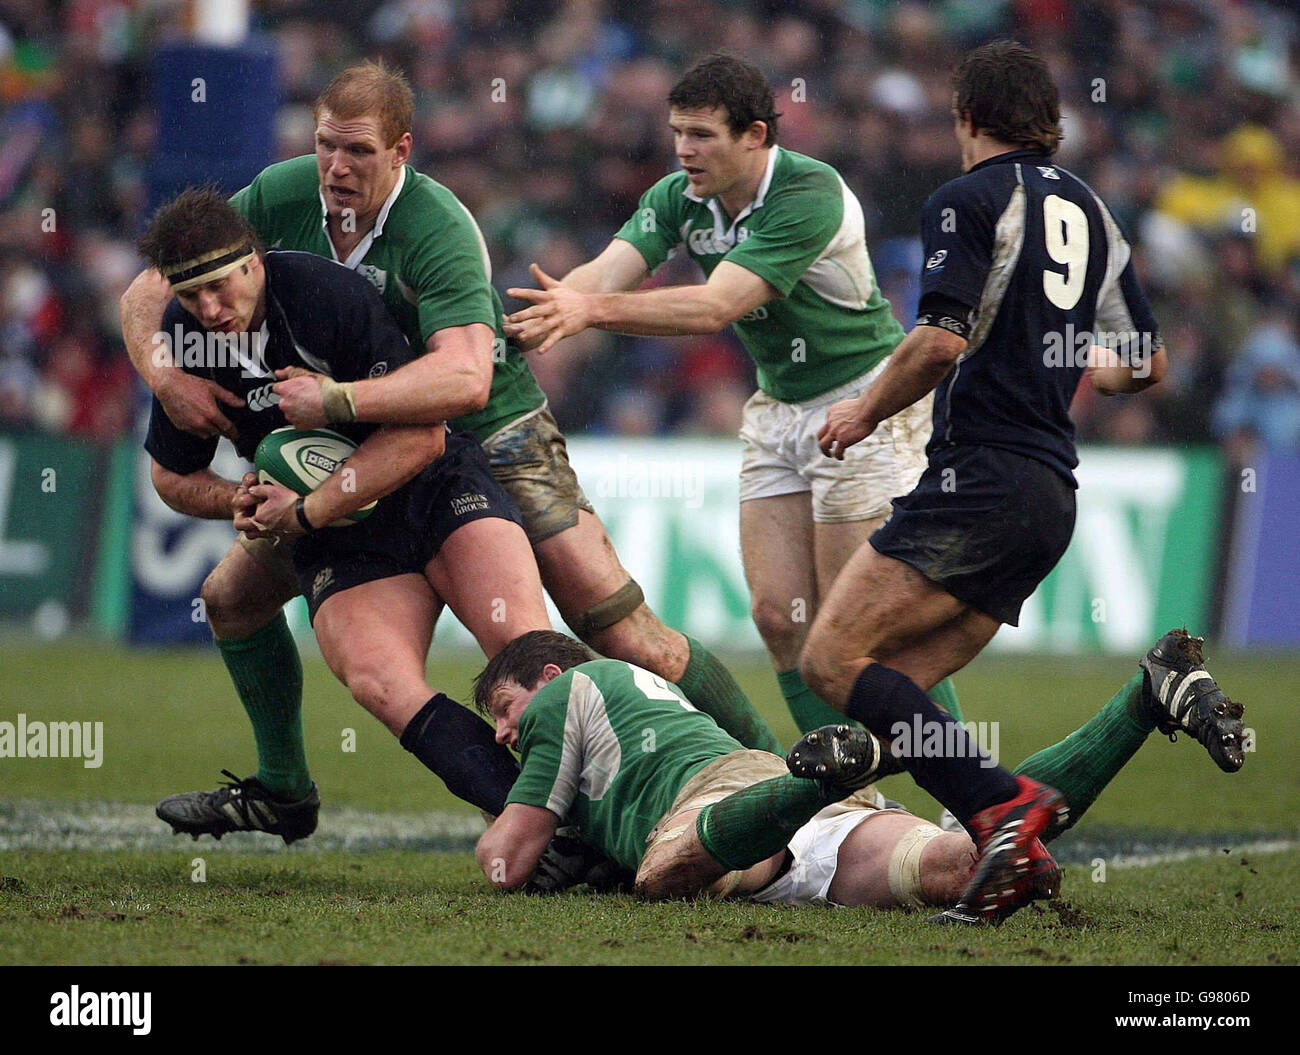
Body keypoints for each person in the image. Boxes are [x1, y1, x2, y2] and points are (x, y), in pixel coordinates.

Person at [119, 61, 775, 836]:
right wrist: (165, 378)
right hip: (352, 454)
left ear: (401, 150)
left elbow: (463, 380)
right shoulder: (279, 194)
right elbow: (152, 287)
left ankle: (769, 774)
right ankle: (284, 790)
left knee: (618, 632)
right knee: (231, 599)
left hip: (488, 428)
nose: (336, 166)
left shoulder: (438, 225)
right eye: (327, 144)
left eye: (358, 151)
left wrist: (333, 400)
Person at [799, 41, 1245, 920]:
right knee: (903, 699)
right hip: (1050, 494)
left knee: (829, 657)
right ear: (1047, 122)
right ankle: (1012, 852)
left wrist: (861, 414)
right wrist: (1071, 357)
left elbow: (937, 340)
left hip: (982, 478)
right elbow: (1146, 363)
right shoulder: (1093, 211)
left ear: (966, 115)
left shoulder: (966, 198)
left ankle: (1009, 805)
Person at [503, 53, 966, 740]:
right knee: (781, 617)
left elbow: (718, 305)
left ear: (755, 135)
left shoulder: (810, 192)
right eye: (677, 133)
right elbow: (607, 271)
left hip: (864, 403)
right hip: (777, 405)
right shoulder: (678, 197)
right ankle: (846, 800)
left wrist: (592, 311)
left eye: (702, 135)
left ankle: (971, 794)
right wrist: (557, 304)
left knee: (855, 629)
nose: (684, 150)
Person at [137, 186, 550, 841]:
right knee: (378, 682)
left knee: (529, 658)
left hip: (427, 485)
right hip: (338, 535)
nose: (210, 310)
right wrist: (234, 498)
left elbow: (424, 435)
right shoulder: (186, 341)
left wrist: (323, 446)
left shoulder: (322, 296)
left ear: (253, 260)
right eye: (191, 297)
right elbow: (171, 475)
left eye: (220, 286)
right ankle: (539, 828)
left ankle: (635, 800)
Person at [473, 628, 1239, 918]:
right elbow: (741, 726)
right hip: (775, 804)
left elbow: (507, 861)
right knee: (978, 861)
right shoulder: (648, 696)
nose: (505, 732)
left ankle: (828, 775)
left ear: (543, 675)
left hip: (725, 804)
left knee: (665, 870)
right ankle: (1146, 694)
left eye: (504, 708)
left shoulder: (565, 695)